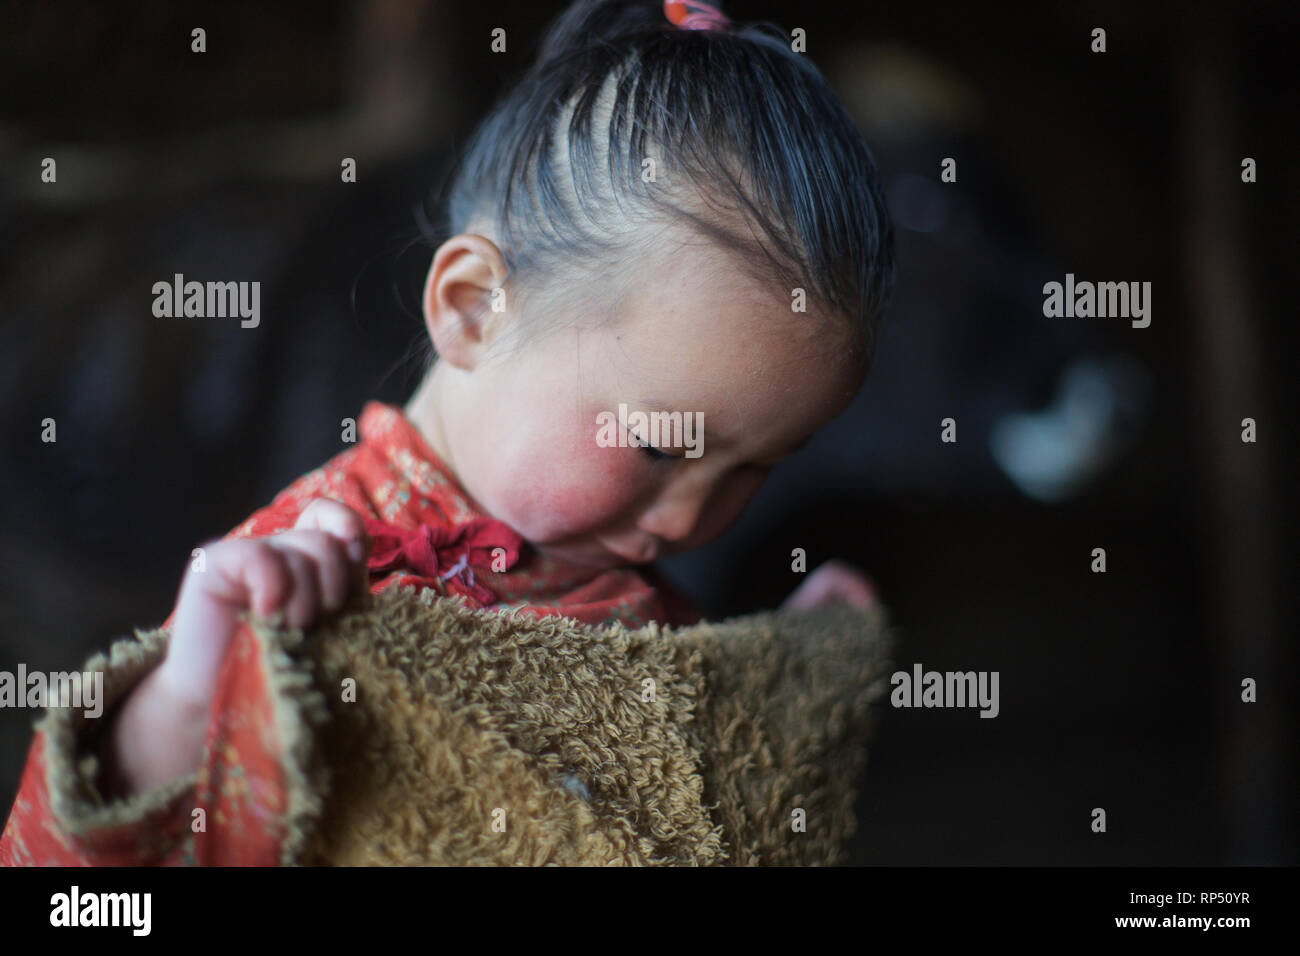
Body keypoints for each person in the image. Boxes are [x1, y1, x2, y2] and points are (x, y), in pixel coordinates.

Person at [0, 0, 893, 865]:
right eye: (661, 445)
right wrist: (187, 700)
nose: (688, 519)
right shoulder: (312, 589)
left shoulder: (629, 590)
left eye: (756, 469)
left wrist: (774, 681)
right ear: (472, 308)